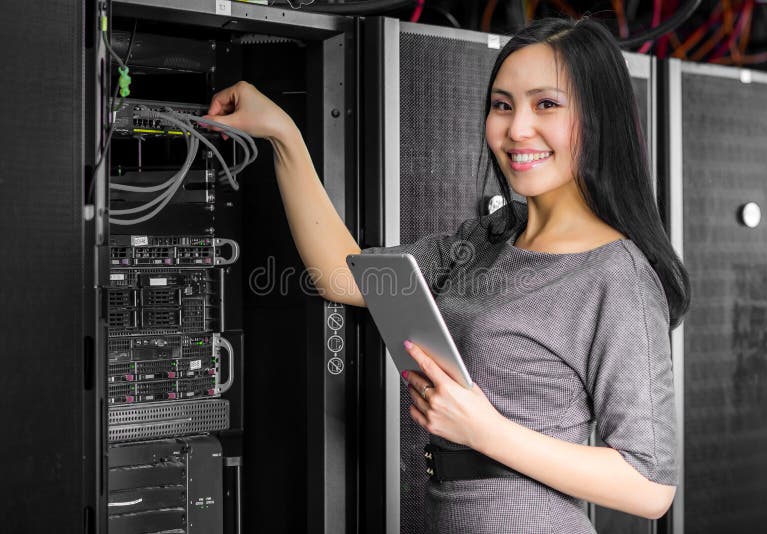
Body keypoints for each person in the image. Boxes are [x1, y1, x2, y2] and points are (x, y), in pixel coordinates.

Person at [205, 15, 690, 534]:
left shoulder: (617, 276)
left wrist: (485, 432)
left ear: (598, 119)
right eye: (502, 105)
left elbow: (649, 487)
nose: (516, 128)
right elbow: (340, 276)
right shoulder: (487, 239)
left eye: (546, 104)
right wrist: (284, 134)